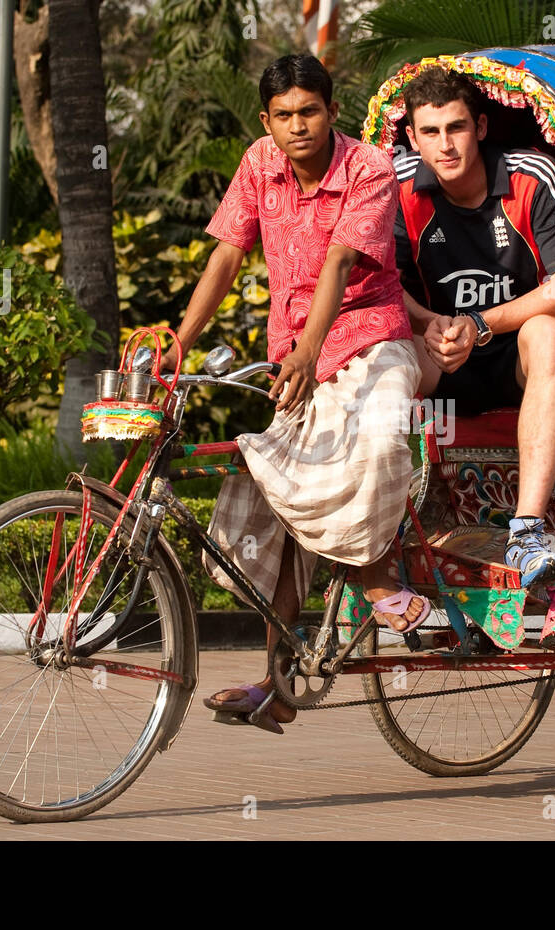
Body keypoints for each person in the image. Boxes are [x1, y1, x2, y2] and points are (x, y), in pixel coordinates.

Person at [162, 55, 427, 734]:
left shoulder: (367, 167)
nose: (297, 126)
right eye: (283, 115)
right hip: (295, 356)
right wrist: (182, 339)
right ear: (266, 121)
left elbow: (341, 259)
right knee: (281, 508)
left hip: (371, 339)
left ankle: (377, 578)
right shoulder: (258, 164)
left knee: (376, 432)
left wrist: (312, 352)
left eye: (309, 111)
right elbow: (226, 253)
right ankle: (279, 686)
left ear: (332, 112)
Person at [393, 67, 555, 586]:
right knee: (380, 354)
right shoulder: (397, 188)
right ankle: (379, 529)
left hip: (525, 355)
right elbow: (379, 283)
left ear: (480, 127)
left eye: (456, 128)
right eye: (430, 133)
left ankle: (526, 532)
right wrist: (432, 323)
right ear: (412, 137)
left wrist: (480, 322)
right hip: (445, 350)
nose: (446, 145)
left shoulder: (532, 175)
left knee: (547, 331)